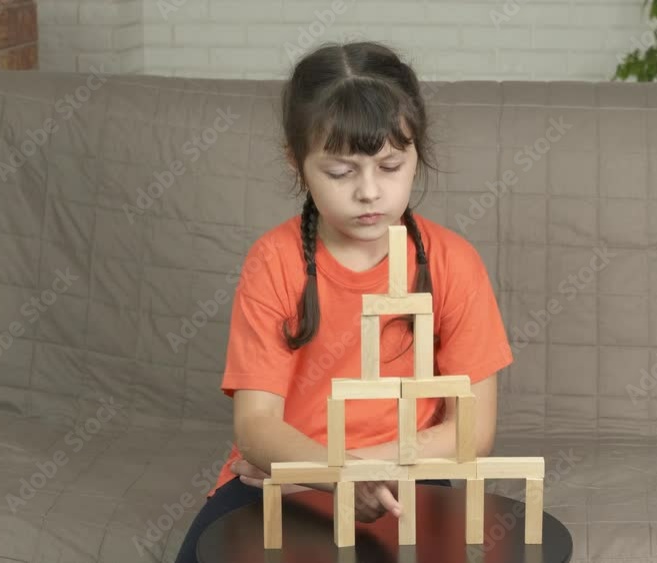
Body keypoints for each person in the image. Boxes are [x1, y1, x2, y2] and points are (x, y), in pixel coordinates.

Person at [174, 41, 513, 562]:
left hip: (400, 480)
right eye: (340, 172)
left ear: (417, 153)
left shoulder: (454, 263)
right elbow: (256, 425)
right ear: (298, 164)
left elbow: (473, 431)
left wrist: (344, 471)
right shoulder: (273, 260)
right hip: (281, 474)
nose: (369, 192)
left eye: (391, 166)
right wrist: (320, 473)